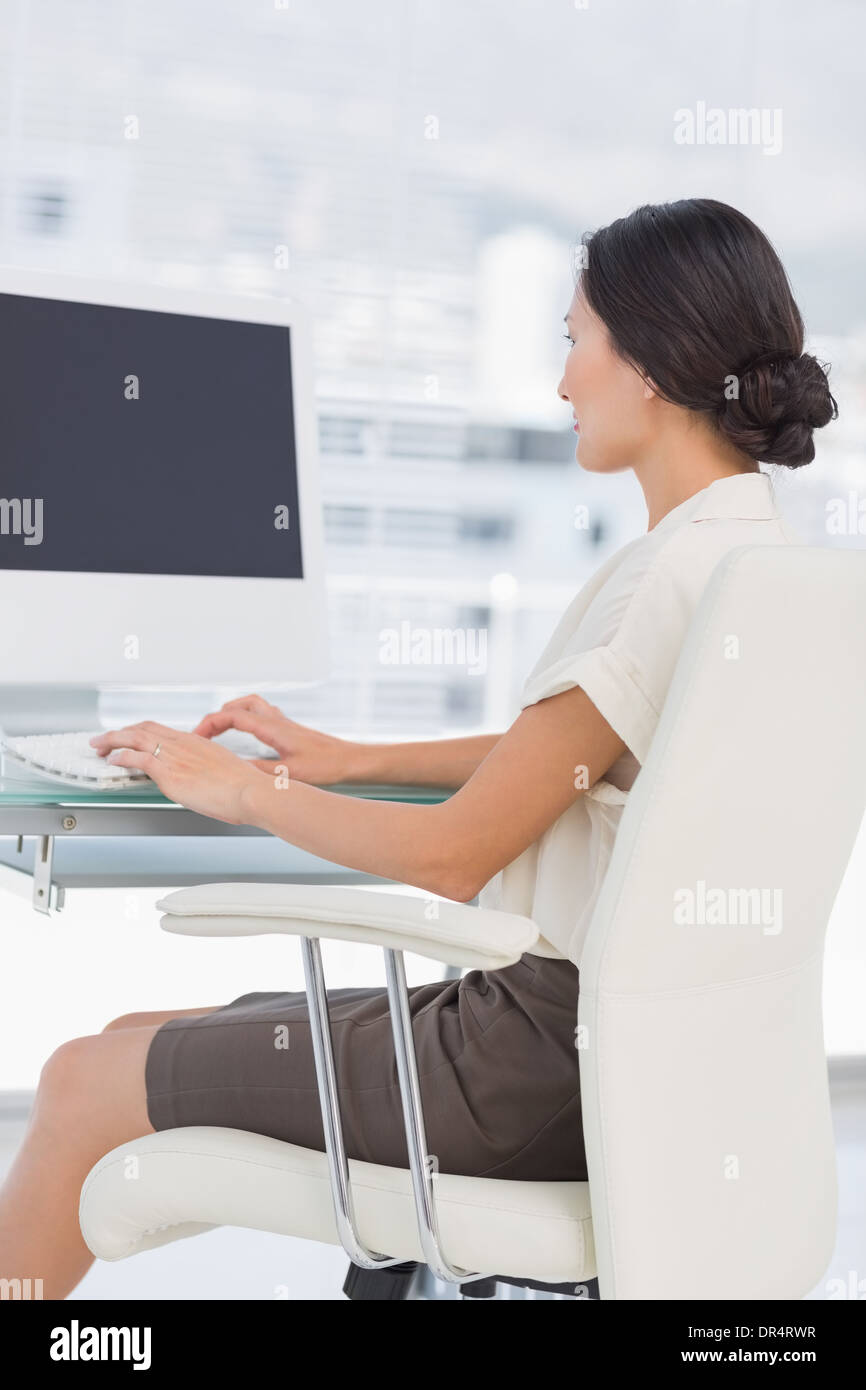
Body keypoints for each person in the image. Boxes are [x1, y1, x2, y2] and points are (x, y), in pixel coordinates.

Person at [0, 198, 837, 1298]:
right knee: (131, 1031)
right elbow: (577, 754)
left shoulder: (663, 576)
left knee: (77, 1079)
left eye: (574, 341)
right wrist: (342, 758)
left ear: (646, 362)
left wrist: (247, 794)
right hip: (641, 1064)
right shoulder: (749, 555)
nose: (559, 382)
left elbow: (455, 855)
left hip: (522, 1065)